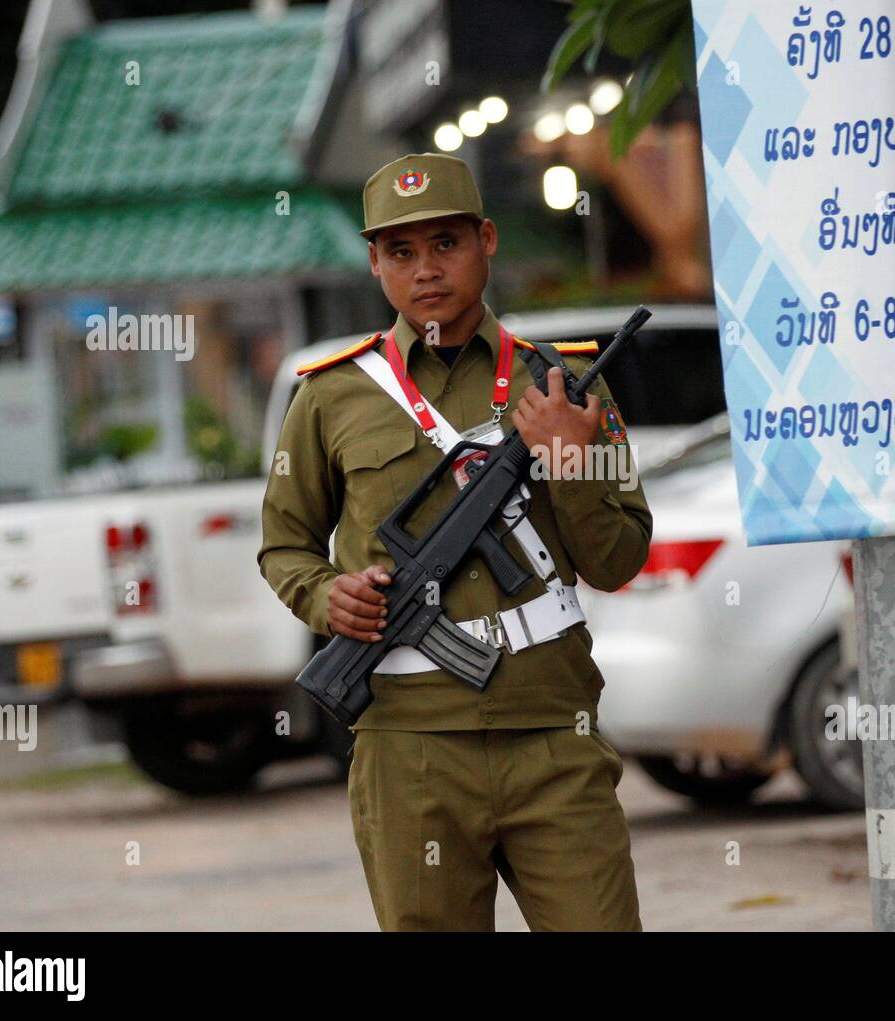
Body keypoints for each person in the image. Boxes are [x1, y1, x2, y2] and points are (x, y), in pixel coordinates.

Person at [258, 152, 651, 931]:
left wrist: (569, 461)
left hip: (553, 732)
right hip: (410, 748)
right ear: (374, 262)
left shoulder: (564, 384)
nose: (425, 269)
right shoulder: (331, 395)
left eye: (446, 243)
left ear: (487, 241)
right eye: (401, 251)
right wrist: (324, 594)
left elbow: (618, 560)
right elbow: (285, 545)